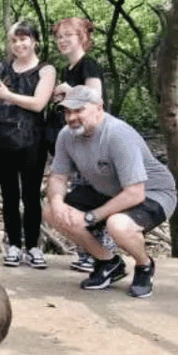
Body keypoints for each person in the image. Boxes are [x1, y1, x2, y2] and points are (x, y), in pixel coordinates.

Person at [43, 86, 176, 298]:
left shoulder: (117, 134)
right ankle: (108, 263)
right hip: (108, 191)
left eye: (78, 110)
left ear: (99, 108)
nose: (71, 117)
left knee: (118, 225)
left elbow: (135, 193)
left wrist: (90, 217)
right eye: (67, 112)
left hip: (152, 192)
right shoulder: (66, 136)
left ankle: (144, 265)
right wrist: (58, 203)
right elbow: (58, 177)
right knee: (51, 211)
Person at [0, 20, 55, 269]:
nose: (19, 45)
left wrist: (7, 96)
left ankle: (33, 246)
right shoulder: (1, 67)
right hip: (1, 137)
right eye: (14, 40)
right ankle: (13, 244)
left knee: (31, 194)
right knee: (9, 194)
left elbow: (38, 103)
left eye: (24, 39)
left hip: (32, 140)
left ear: (35, 41)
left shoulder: (46, 70)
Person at [51, 16, 107, 273]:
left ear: (82, 38)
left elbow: (96, 98)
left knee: (91, 195)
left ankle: (98, 252)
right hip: (75, 140)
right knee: (79, 194)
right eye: (59, 36)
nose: (62, 41)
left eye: (68, 36)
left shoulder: (89, 65)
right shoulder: (69, 69)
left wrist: (69, 91)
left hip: (94, 140)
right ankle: (87, 251)